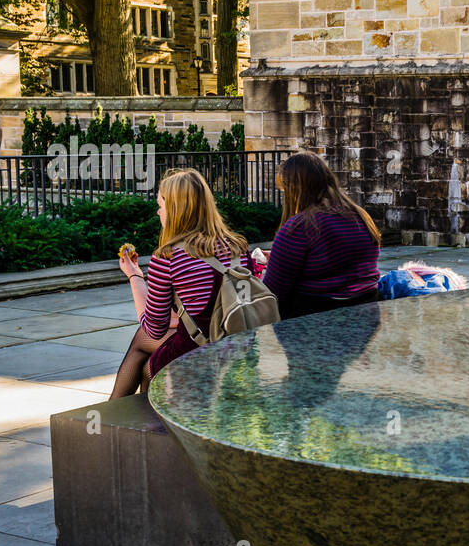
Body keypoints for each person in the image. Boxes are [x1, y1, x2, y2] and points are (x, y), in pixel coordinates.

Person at [110, 168, 252, 399]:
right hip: (237, 344)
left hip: (200, 349)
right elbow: (233, 302)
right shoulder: (238, 247)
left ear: (176, 210)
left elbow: (153, 329)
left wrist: (134, 276)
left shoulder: (169, 257)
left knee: (145, 354)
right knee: (148, 362)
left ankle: (111, 418)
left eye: (161, 205)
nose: (158, 212)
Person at [258, 152, 381, 319]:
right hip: (366, 318)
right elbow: (339, 262)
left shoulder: (299, 228)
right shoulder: (361, 217)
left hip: (311, 323)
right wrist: (280, 257)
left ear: (294, 190)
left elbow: (272, 295)